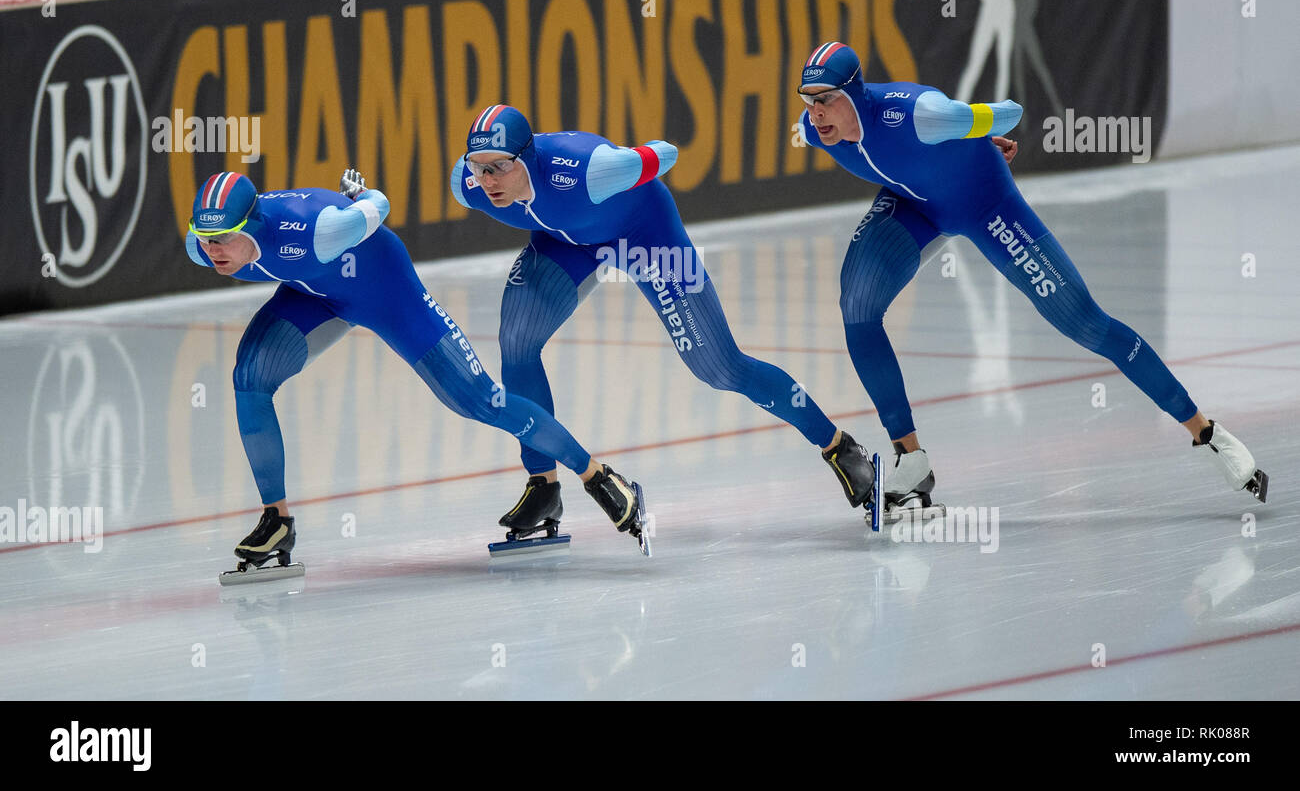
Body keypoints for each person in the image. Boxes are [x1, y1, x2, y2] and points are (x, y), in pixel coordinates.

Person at [794, 41, 1268, 513]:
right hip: (914, 206)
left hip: (987, 207)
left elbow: (1009, 113)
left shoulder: (922, 115)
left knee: (1084, 322)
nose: (815, 115)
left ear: (854, 93)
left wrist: (971, 131)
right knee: (857, 305)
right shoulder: (817, 131)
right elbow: (892, 159)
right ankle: (910, 458)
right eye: (808, 102)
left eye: (826, 100)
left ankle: (1206, 432)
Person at [450, 104, 882, 537]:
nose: (487, 181)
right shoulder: (467, 184)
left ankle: (838, 445)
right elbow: (477, 176)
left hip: (644, 234)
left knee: (720, 367)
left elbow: (666, 153)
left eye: (500, 168)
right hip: (567, 242)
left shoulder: (589, 171)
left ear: (527, 158)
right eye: (479, 168)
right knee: (518, 340)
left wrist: (632, 157)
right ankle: (543, 485)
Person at [185, 169, 649, 570]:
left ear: (255, 226)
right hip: (315, 294)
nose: (214, 251)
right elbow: (214, 242)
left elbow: (379, 205)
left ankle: (599, 476)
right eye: (206, 240)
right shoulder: (201, 247)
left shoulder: (316, 231)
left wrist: (360, 198)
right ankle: (276, 521)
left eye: (225, 238)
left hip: (386, 291)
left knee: (481, 400)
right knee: (250, 377)